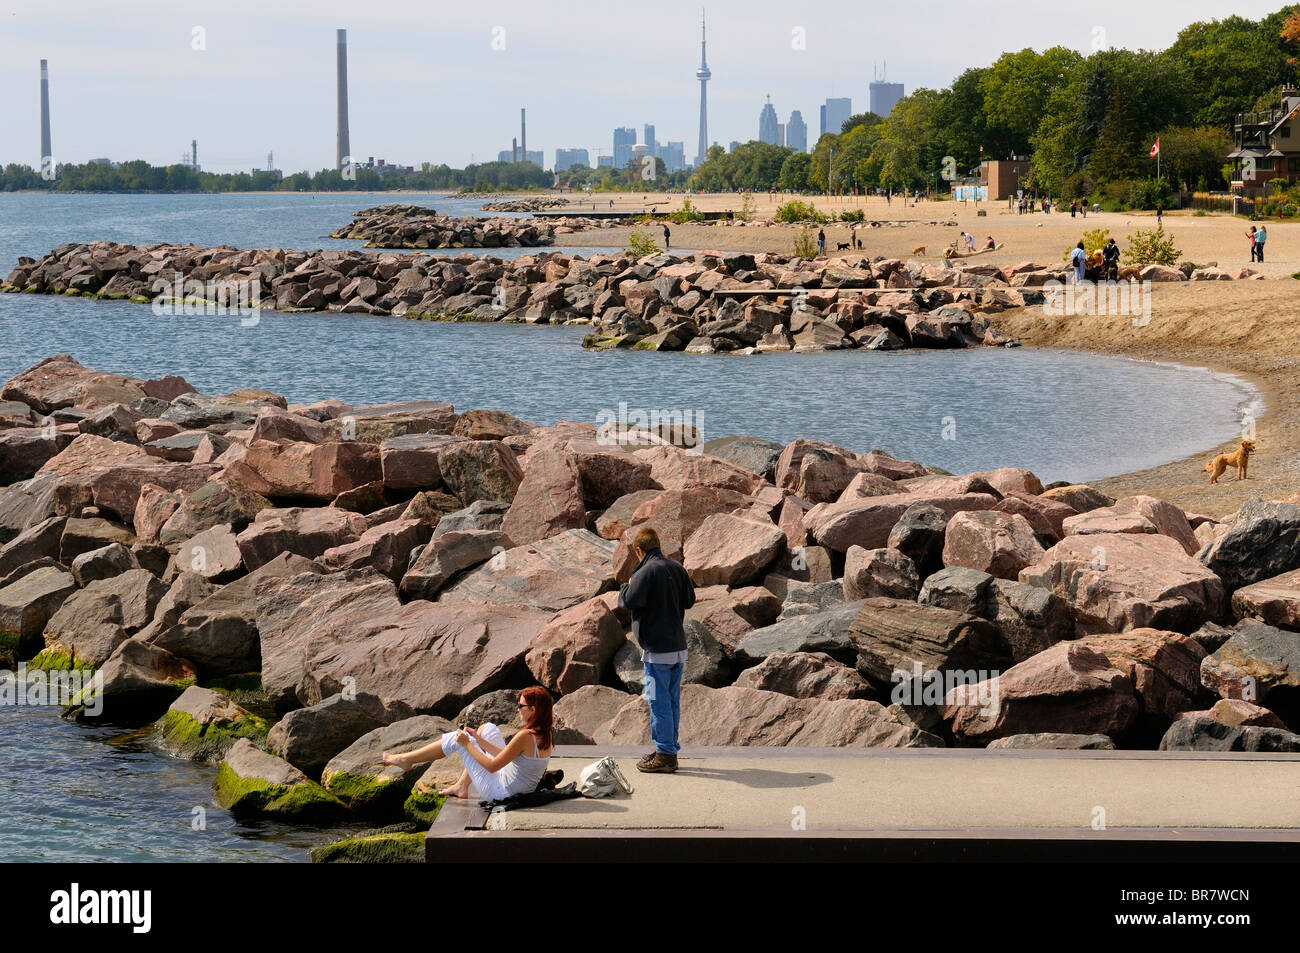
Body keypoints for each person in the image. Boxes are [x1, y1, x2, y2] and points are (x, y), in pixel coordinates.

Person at [381, 686, 554, 800]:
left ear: (533, 710)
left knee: (457, 739)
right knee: (488, 728)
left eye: (521, 706)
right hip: (515, 786)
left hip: (501, 793)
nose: (517, 709)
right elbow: (504, 757)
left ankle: (407, 759)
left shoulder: (525, 736)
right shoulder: (546, 733)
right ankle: (462, 786)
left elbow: (493, 766)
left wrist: (468, 744)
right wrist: (479, 740)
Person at [618, 526, 695, 774]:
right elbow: (690, 600)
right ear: (658, 546)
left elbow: (629, 601)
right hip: (677, 648)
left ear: (639, 550)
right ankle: (668, 748)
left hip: (656, 651)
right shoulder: (677, 568)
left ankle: (665, 755)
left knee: (657, 702)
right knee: (671, 701)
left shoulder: (645, 571)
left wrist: (625, 586)